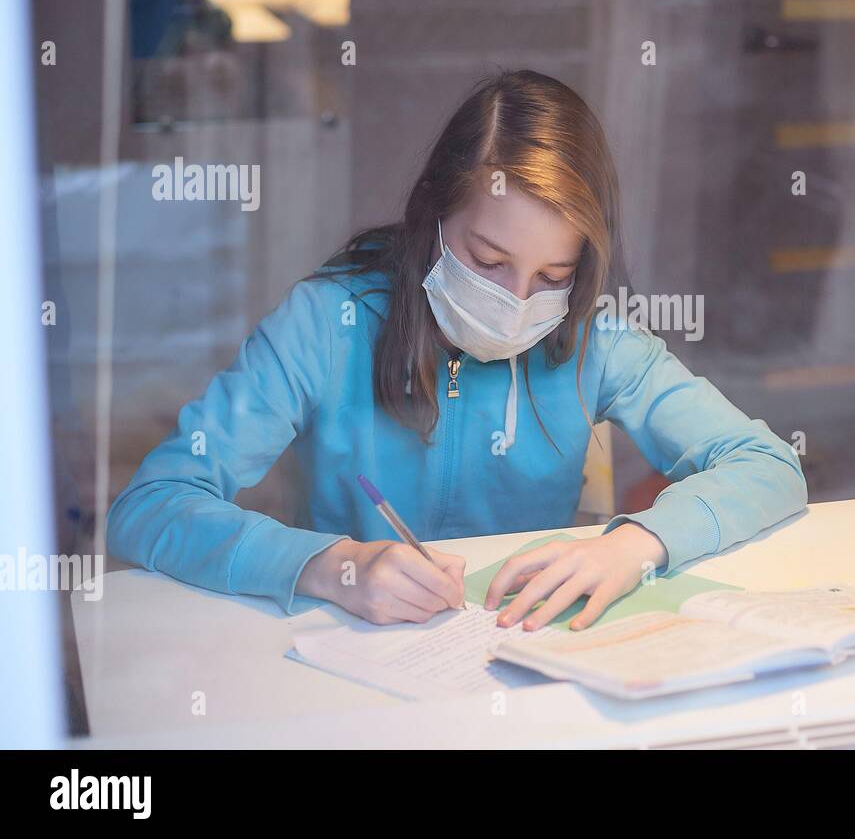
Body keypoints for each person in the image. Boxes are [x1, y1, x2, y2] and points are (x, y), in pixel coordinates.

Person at [108, 69, 807, 631]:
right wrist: (329, 564)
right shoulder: (326, 323)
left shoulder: (595, 340)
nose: (516, 300)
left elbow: (768, 465)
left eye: (552, 278)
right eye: (487, 260)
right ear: (433, 217)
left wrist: (634, 546)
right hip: (349, 662)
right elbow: (152, 505)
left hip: (519, 650)